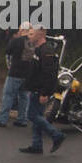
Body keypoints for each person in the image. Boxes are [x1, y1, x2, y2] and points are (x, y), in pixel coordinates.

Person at [19, 23, 65, 154]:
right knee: (37, 117)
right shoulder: (38, 49)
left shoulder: (46, 51)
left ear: (41, 34)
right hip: (35, 88)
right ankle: (37, 145)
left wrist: (44, 93)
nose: (29, 36)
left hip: (40, 90)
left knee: (32, 115)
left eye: (31, 33)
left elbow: (49, 74)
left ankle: (56, 134)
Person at [0, 23, 34, 127]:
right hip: (28, 74)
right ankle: (22, 119)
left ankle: (2, 120)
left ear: (22, 30)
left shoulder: (16, 41)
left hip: (15, 73)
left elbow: (8, 51)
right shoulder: (33, 42)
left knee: (8, 96)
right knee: (24, 97)